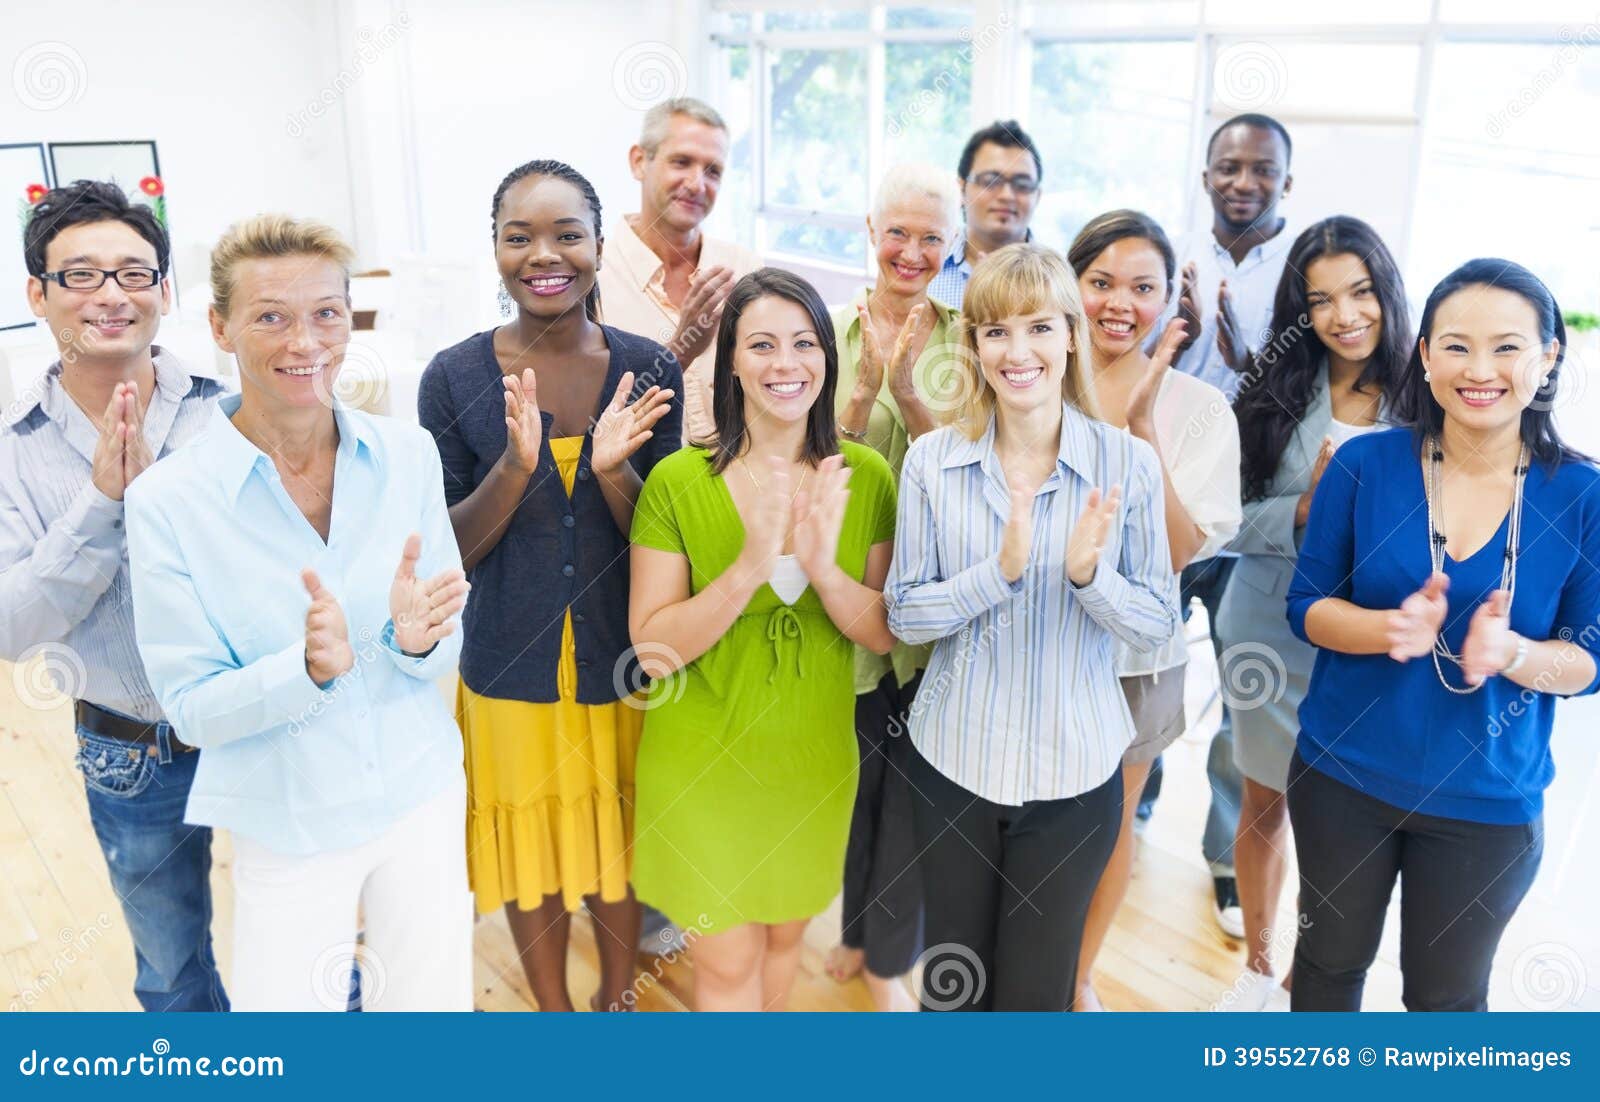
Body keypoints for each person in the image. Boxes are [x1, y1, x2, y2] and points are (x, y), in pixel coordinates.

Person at [125, 214, 472, 1012]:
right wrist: (306, 670)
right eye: (270, 316)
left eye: (326, 314)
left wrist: (415, 643)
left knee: (430, 1013)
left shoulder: (407, 454)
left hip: (420, 791)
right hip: (286, 816)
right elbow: (191, 712)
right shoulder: (167, 504)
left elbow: (441, 631)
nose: (304, 341)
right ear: (220, 326)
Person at [1286, 258, 1600, 1011]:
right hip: (1343, 777)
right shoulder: (1365, 463)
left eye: (1508, 346)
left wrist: (1516, 655)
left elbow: (1589, 662)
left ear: (1549, 356)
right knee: (1327, 969)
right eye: (1456, 345)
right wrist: (1387, 627)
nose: (1480, 369)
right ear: (1424, 356)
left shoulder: (1584, 496)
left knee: (1446, 1004)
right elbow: (1306, 608)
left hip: (1486, 804)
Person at [887, 243, 1178, 1011]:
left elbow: (1155, 625)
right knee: (952, 991)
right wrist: (996, 576)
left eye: (1040, 328)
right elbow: (903, 612)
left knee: (1036, 999)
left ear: (1073, 335)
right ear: (974, 346)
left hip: (1074, 780)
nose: (1018, 352)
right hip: (952, 767)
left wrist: (1089, 578)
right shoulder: (930, 463)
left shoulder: (1129, 467)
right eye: (995, 333)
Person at [418, 160, 681, 1012]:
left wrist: (609, 473)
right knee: (531, 861)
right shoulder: (453, 378)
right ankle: (555, 1019)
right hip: (507, 669)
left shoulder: (650, 369)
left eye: (567, 233)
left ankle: (614, 1003)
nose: (545, 254)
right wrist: (517, 469)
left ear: (602, 245)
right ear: (494, 249)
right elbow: (453, 549)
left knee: (615, 848)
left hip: (621, 664)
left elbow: (671, 540)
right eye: (518, 236)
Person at [628, 267, 897, 1011]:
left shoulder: (866, 475)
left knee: (785, 946)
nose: (787, 364)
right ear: (733, 364)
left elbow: (879, 633)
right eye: (763, 345)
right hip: (702, 765)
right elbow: (652, 647)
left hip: (811, 765)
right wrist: (750, 566)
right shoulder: (680, 481)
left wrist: (821, 569)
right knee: (727, 964)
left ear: (827, 358)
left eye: (805, 343)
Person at [0, 180, 228, 1012]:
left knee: (304, 935)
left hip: (266, 722)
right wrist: (99, 506)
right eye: (82, 276)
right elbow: (15, 627)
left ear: (164, 290)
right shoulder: (13, 450)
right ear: (38, 294)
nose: (112, 296)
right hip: (131, 749)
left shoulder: (229, 413)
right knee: (171, 972)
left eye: (135, 273)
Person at [1214, 216, 1409, 1011]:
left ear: (1388, 292)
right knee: (1263, 800)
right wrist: (1304, 513)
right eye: (1321, 299)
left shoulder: (1426, 392)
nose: (1345, 315)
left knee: (1339, 823)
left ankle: (1309, 980)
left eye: (1361, 292)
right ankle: (1259, 971)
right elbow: (1224, 515)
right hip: (1265, 626)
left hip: (1366, 640)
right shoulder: (1273, 388)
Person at [1065, 211, 1241, 1012]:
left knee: (1107, 827)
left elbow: (1174, 552)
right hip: (1026, 647)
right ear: (1071, 285)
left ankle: (1077, 977)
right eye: (1100, 281)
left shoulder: (1199, 408)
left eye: (1143, 287)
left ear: (1172, 300)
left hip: (1135, 658)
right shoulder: (1028, 375)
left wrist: (1139, 427)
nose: (1118, 303)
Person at [1146, 112, 1296, 934]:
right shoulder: (1169, 262)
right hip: (1168, 503)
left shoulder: (1305, 275)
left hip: (1253, 521)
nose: (1244, 181)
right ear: (1206, 175)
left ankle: (1227, 862)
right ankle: (1133, 809)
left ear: (1284, 181)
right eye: (1229, 167)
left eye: (1261, 169)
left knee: (1249, 698)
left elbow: (1304, 392)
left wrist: (1249, 356)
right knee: (1145, 668)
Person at [823, 162, 963, 1011]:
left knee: (915, 782)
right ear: (869, 233)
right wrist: (863, 394)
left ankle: (890, 951)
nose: (911, 251)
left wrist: (906, 395)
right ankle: (851, 926)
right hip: (847, 587)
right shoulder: (825, 331)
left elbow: (971, 464)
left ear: (953, 247)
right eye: (897, 232)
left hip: (940, 590)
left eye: (931, 238)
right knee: (860, 771)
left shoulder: (972, 333)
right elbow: (814, 466)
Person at [597, 97, 760, 447]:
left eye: (713, 171)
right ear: (640, 162)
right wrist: (678, 354)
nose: (697, 184)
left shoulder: (745, 269)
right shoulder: (591, 277)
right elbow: (592, 421)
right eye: (681, 162)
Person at [927, 120, 1042, 309]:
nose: (1006, 195)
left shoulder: (1062, 280)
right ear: (961, 189)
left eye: (1022, 184)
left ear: (1037, 196)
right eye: (990, 181)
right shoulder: (924, 271)